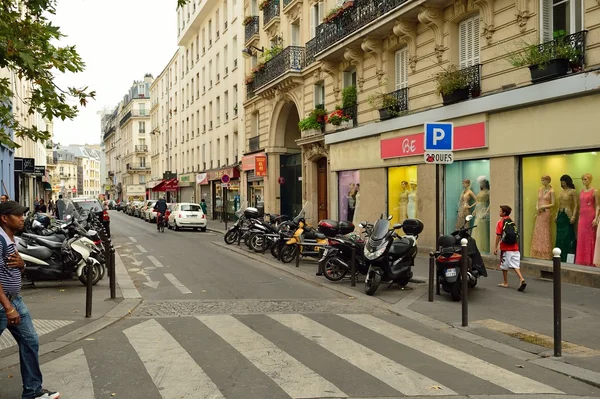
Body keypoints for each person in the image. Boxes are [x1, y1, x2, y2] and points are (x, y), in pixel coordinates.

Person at [0, 201, 60, 399]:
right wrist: (8, 307)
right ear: (4, 218)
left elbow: (16, 267)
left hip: (15, 300)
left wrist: (22, 264)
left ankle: (33, 392)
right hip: (4, 304)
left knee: (30, 341)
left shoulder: (11, 239)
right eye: (18, 215)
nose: (22, 218)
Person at [494, 205, 526, 291]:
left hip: (506, 249)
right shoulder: (512, 222)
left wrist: (495, 247)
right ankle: (521, 279)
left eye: (500, 211)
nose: (499, 212)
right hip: (515, 248)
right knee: (516, 266)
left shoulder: (500, 223)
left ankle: (505, 282)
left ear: (504, 213)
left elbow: (498, 236)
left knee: (504, 266)